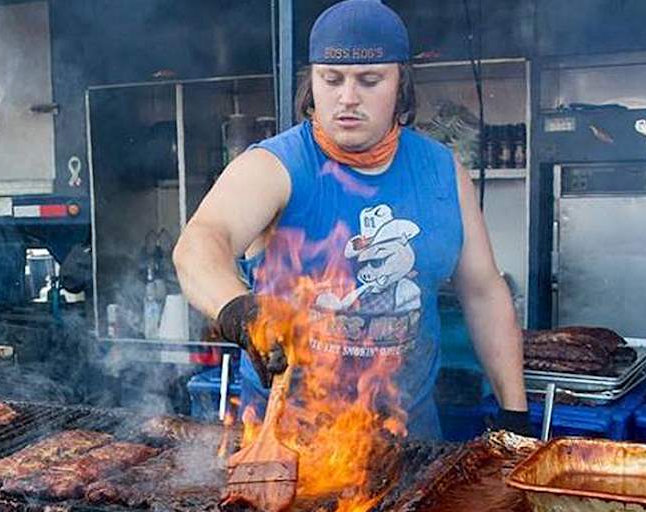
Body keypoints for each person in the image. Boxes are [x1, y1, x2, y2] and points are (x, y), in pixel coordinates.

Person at [173, 0, 530, 439]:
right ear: (312, 82)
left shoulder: (442, 170)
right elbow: (199, 244)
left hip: (409, 444)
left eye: (369, 80)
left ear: (401, 85)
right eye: (331, 79)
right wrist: (241, 312)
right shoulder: (273, 167)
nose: (347, 98)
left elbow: (483, 291)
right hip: (288, 448)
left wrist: (515, 414)